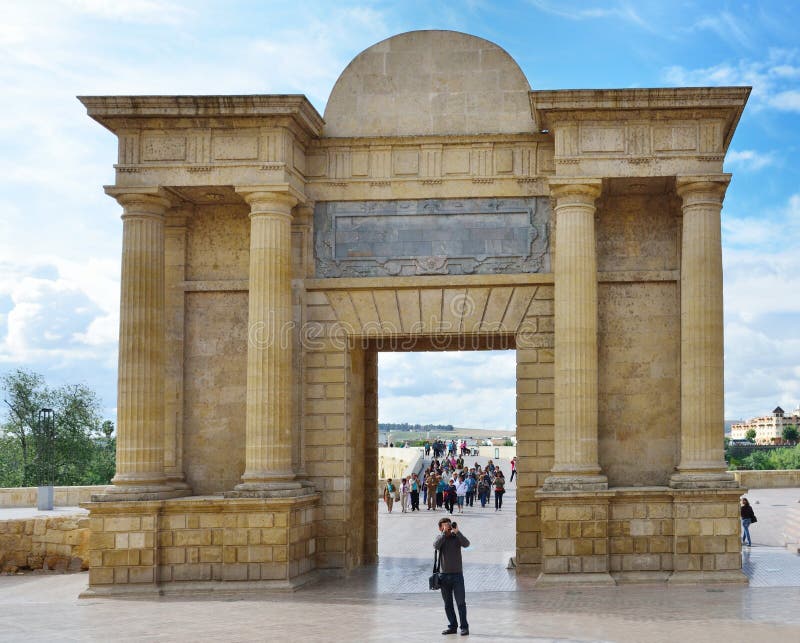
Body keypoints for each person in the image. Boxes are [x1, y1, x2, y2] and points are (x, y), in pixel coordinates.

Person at [434, 517, 470, 636]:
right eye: (445, 526)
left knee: (461, 603)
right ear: (440, 528)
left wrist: (457, 532)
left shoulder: (456, 537)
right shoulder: (440, 538)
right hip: (444, 577)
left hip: (457, 576)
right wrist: (444, 534)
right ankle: (452, 626)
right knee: (448, 604)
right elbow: (436, 546)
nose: (448, 528)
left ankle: (464, 627)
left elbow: (467, 544)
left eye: (449, 525)